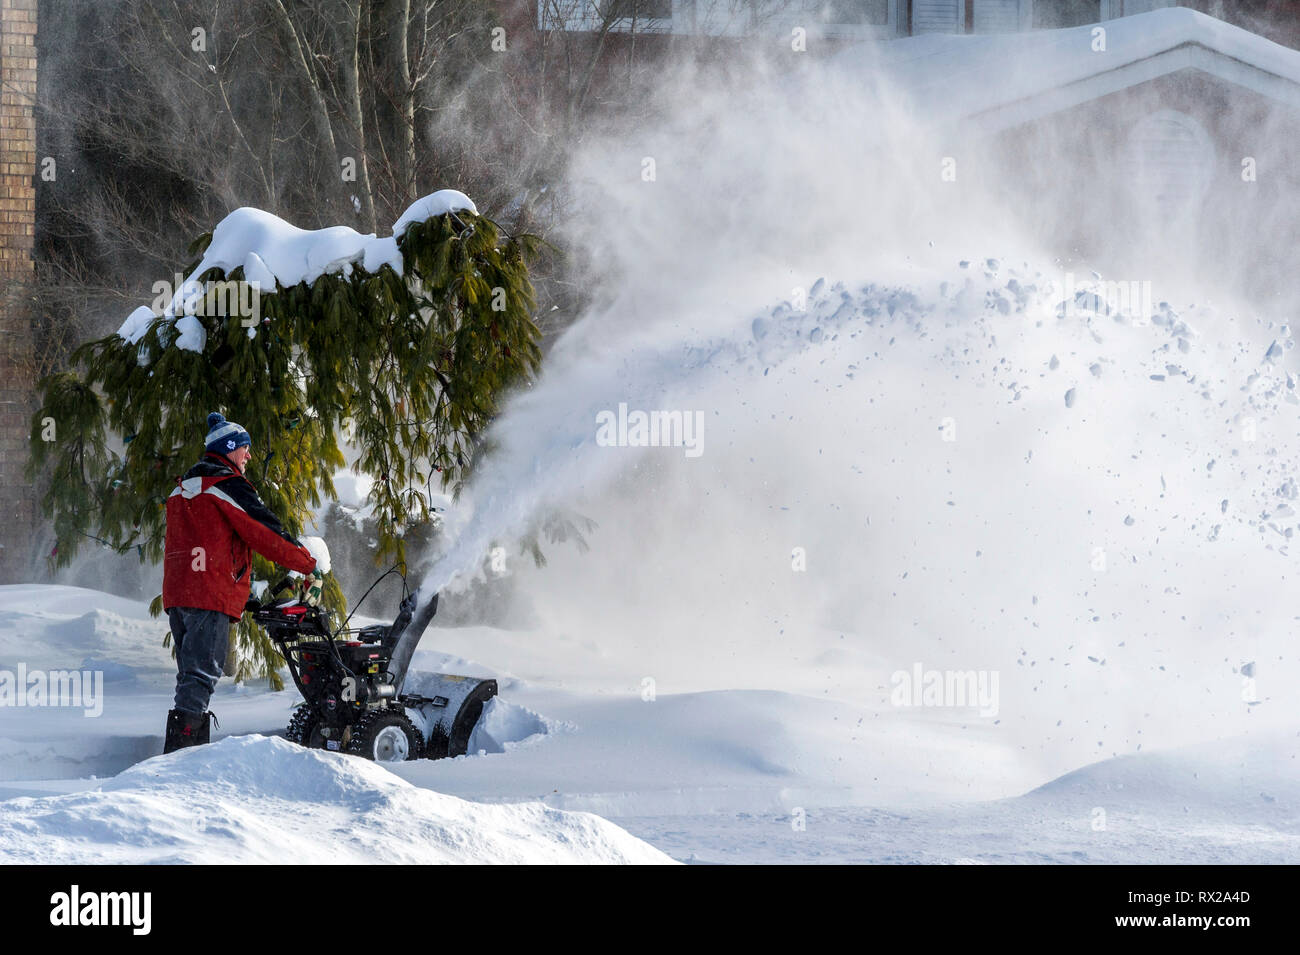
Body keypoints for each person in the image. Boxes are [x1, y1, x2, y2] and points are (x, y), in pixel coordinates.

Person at [161, 412, 322, 753]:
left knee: (190, 676)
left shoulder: (183, 489)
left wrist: (242, 592)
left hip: (179, 595)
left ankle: (179, 758)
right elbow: (264, 531)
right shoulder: (225, 485)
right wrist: (307, 563)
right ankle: (180, 761)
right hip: (206, 596)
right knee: (201, 677)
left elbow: (207, 545)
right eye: (245, 449)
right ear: (230, 449)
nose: (248, 456)